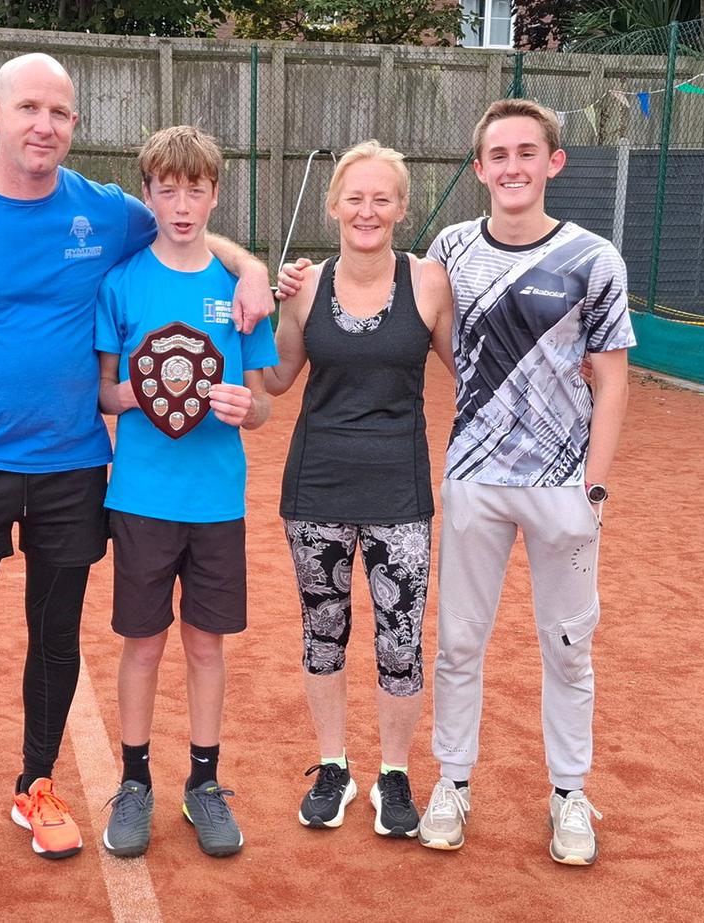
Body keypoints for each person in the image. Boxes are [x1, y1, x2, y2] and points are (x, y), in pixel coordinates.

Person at [0, 54, 274, 913]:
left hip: (73, 470)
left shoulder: (102, 211)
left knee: (55, 639)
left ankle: (36, 786)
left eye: (59, 110)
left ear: (74, 124)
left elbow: (185, 224)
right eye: (27, 108)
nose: (43, 123)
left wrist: (255, 271)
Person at [414, 99, 633, 865]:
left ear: (553, 163)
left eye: (526, 153)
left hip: (561, 487)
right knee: (459, 641)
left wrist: (592, 490)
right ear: (480, 169)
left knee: (569, 645)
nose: (512, 167)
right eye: (497, 155)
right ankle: (453, 783)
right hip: (473, 478)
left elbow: (613, 382)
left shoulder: (594, 259)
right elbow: (437, 335)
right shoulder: (448, 247)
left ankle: (569, 793)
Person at [260, 141, 454, 839]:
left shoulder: (430, 281)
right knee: (324, 633)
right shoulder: (307, 284)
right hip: (316, 487)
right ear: (333, 205)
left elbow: (470, 373)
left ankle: (394, 773)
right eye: (355, 197)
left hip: (399, 490)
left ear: (401, 208)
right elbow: (279, 379)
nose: (367, 210)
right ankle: (333, 764)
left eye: (382, 198)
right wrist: (257, 317)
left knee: (401, 640)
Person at [93, 125, 277, 860]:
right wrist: (136, 395)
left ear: (214, 194)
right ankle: (134, 783)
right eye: (166, 189)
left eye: (194, 189)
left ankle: (203, 783)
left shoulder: (237, 288)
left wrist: (245, 407)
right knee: (143, 644)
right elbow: (104, 393)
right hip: (140, 497)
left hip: (216, 501)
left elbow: (262, 403)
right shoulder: (122, 282)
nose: (180, 203)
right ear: (147, 195)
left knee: (206, 644)